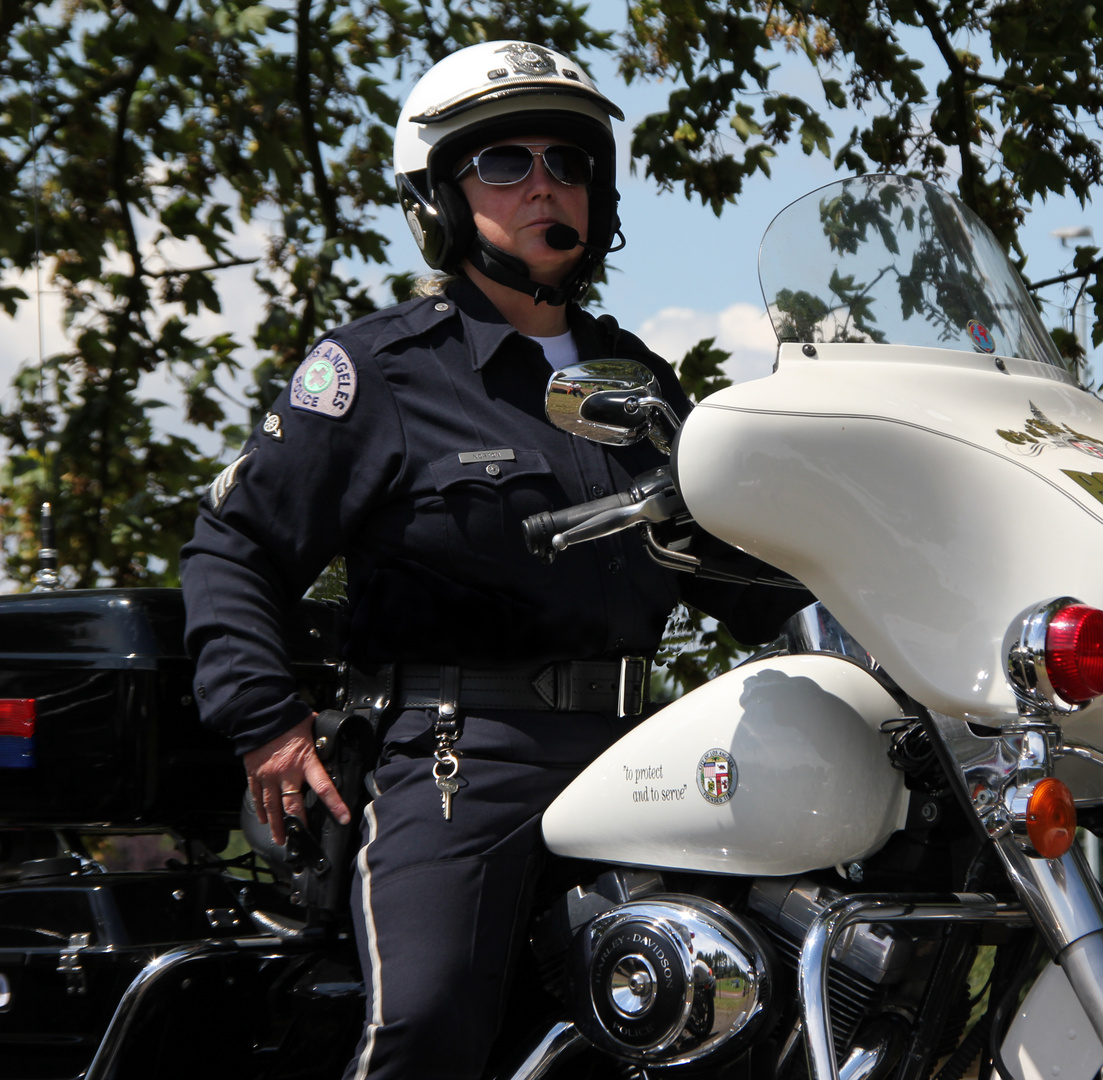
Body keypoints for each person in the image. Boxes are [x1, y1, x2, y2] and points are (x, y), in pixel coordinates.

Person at [179, 41, 802, 1080]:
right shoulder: (379, 371)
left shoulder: (637, 381)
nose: (543, 184)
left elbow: (739, 572)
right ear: (440, 199)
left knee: (730, 1005)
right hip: (462, 755)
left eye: (568, 161)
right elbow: (235, 544)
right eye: (504, 163)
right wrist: (266, 722)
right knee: (428, 1020)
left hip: (640, 749)